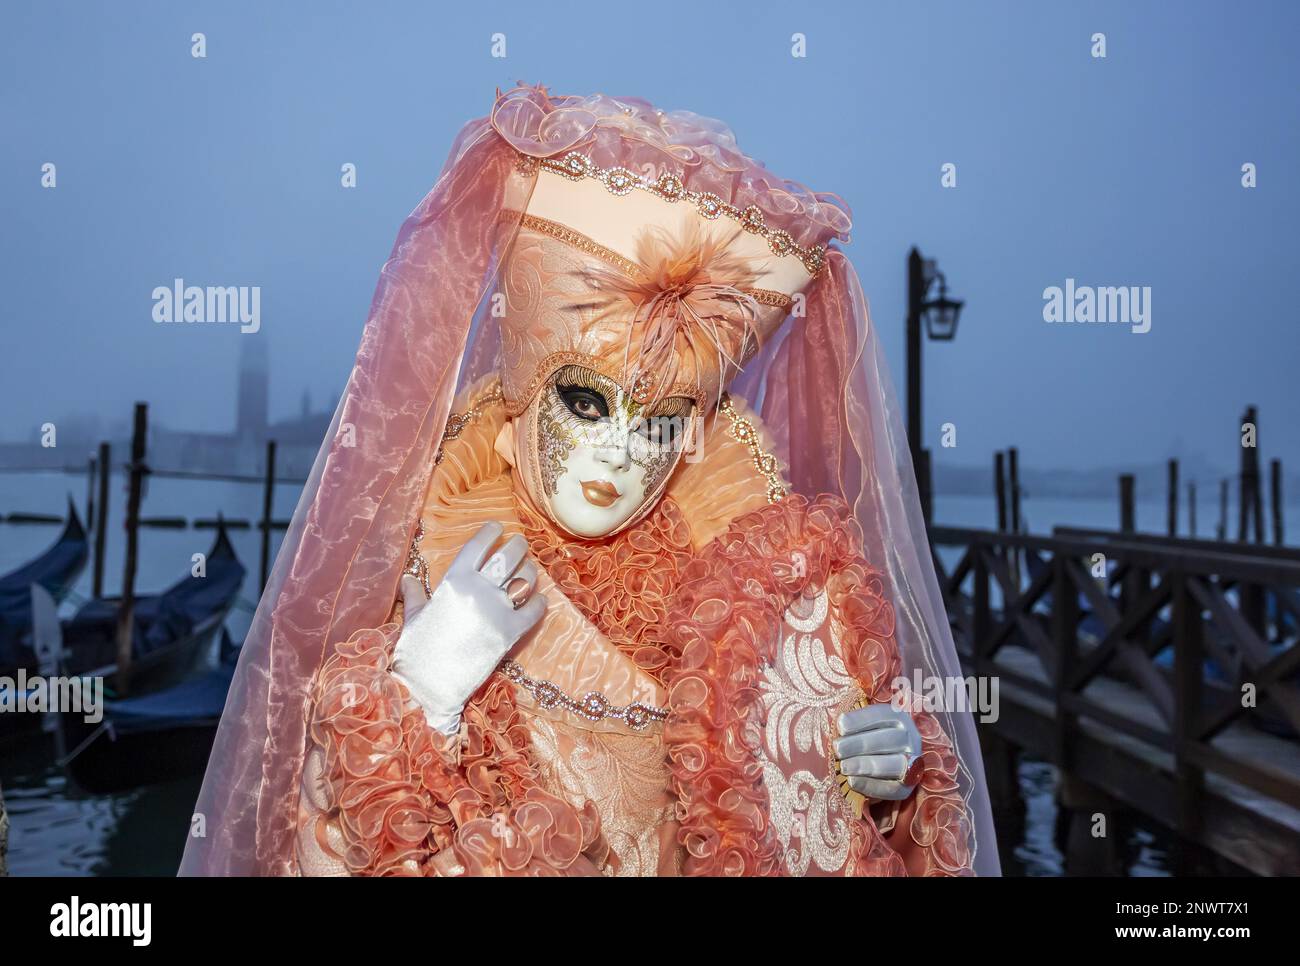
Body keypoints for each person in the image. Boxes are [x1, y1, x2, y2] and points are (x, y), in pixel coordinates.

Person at [181, 84, 998, 877]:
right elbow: (312, 854)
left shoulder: (759, 600)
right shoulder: (429, 570)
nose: (615, 456)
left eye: (658, 421)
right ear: (529, 388)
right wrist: (418, 696)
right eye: (585, 401)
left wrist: (867, 793)